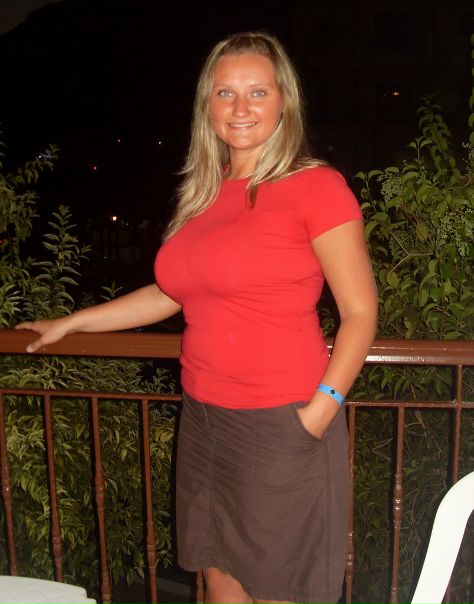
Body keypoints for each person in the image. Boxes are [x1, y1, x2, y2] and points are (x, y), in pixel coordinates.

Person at [17, 31, 377, 604]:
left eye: (258, 92)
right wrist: (73, 321)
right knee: (216, 579)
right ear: (206, 106)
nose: (240, 107)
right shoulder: (205, 195)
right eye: (225, 92)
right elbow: (172, 293)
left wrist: (320, 411)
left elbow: (360, 312)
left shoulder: (316, 187)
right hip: (204, 418)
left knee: (276, 588)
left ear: (284, 101)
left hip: (279, 420)